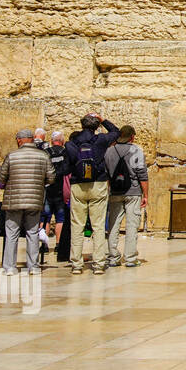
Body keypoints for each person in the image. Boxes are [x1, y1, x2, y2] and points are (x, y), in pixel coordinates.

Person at [64, 113, 120, 275]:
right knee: (98, 225)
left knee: (77, 225)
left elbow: (67, 168)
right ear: (96, 126)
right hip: (99, 184)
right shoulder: (101, 140)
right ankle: (98, 264)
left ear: (82, 125)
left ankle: (76, 264)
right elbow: (116, 132)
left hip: (78, 185)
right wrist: (103, 120)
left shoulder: (71, 143)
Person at [0, 129, 54, 276]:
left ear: (19, 140)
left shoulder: (12, 156)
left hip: (14, 200)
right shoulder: (43, 156)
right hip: (34, 200)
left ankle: (10, 267)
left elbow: (1, 178)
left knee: (12, 234)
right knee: (32, 233)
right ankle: (33, 266)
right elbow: (52, 177)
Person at [103, 125, 148, 269]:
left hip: (115, 192)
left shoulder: (109, 151)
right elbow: (142, 174)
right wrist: (145, 194)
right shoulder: (136, 150)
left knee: (113, 225)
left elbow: (106, 172)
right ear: (132, 137)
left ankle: (113, 257)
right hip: (133, 191)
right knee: (132, 225)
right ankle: (130, 258)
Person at [41, 131, 68, 250]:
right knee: (60, 218)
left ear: (52, 141)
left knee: (45, 217)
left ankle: (44, 245)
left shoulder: (46, 153)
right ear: (62, 141)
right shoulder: (65, 153)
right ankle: (58, 244)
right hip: (61, 189)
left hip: (47, 189)